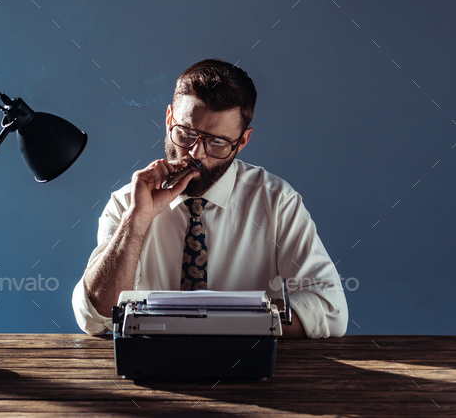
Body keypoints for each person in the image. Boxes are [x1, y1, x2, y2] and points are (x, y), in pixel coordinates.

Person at [72, 59, 348, 338]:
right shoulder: (127, 203)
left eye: (217, 142)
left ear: (242, 141)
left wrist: (222, 323)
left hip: (248, 368)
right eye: (186, 133)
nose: (196, 154)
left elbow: (330, 308)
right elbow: (95, 318)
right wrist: (137, 220)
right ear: (169, 119)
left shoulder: (276, 201)